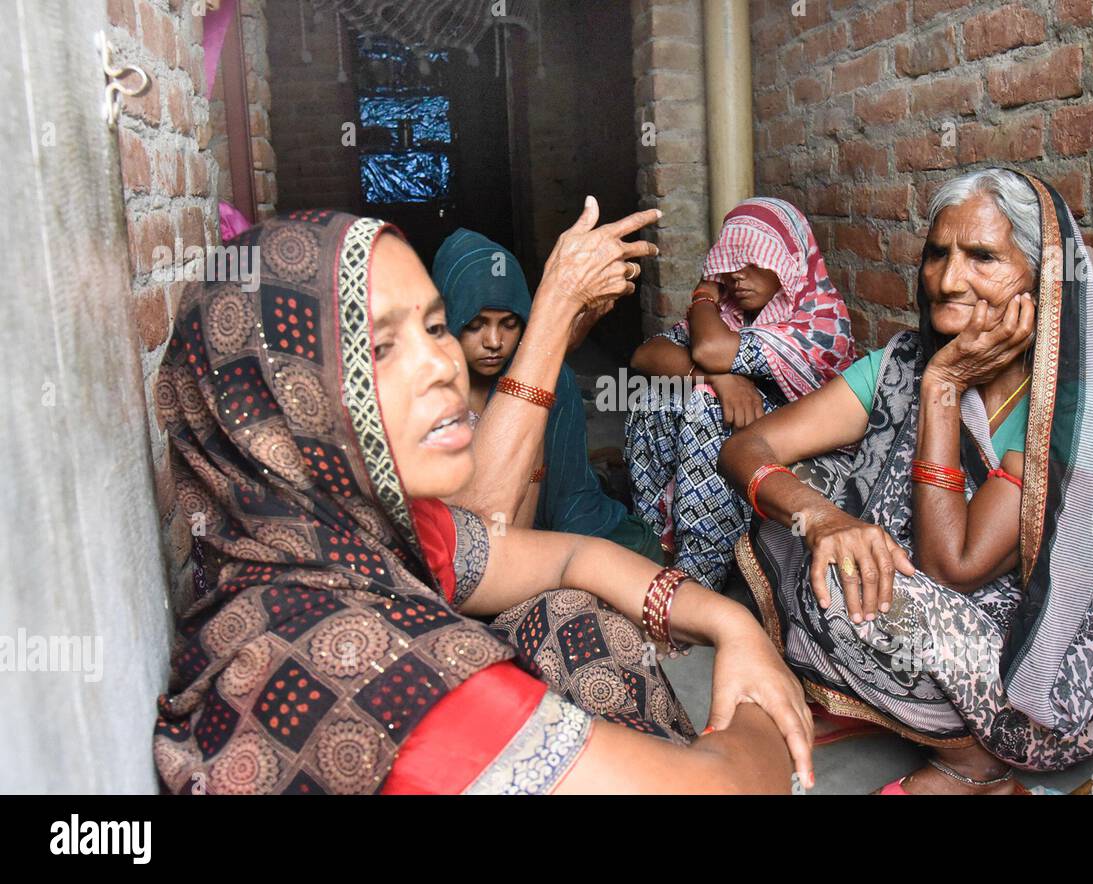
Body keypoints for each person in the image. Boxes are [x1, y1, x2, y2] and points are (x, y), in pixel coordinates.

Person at [151, 204, 814, 794]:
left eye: (435, 327)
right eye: (379, 346)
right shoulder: (382, 674)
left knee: (568, 612)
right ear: (280, 405)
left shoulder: (328, 541)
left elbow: (568, 557)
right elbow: (725, 786)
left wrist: (735, 625)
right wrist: (761, 699)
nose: (442, 364)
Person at [720, 169, 1093, 794]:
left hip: (1023, 680)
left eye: (983, 256)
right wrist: (820, 517)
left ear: (1042, 281)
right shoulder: (903, 362)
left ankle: (974, 765)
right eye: (937, 254)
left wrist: (945, 389)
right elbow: (747, 447)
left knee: (864, 589)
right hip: (930, 606)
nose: (948, 279)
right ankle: (861, 693)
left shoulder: (1068, 416)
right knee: (798, 492)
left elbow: (950, 564)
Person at [626, 197, 854, 590]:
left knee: (704, 405)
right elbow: (646, 355)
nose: (737, 277)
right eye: (731, 263)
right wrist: (719, 378)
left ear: (787, 260)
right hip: (744, 430)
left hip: (810, 450)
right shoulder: (733, 314)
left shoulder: (823, 320)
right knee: (657, 394)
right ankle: (656, 542)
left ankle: (697, 579)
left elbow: (711, 350)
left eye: (754, 262)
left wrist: (702, 297)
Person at [429, 227, 660, 559]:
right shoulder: (425, 397)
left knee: (634, 550)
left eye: (509, 324)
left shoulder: (554, 379)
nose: (493, 341)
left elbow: (569, 496)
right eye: (475, 325)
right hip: (465, 549)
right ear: (448, 320)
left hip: (540, 525)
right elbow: (475, 526)